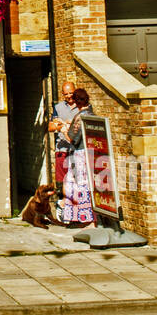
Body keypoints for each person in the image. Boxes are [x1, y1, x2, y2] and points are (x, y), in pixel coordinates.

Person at [58, 87, 96, 227]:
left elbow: (73, 139)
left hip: (79, 156)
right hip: (89, 154)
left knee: (76, 184)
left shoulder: (80, 117)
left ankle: (82, 217)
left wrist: (63, 130)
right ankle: (85, 216)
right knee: (82, 184)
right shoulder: (91, 114)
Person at [49, 80, 78, 190]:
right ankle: (64, 204)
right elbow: (50, 127)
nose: (69, 96)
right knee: (63, 181)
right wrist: (60, 127)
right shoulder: (58, 107)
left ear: (75, 91)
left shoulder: (83, 106)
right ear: (62, 94)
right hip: (62, 149)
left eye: (71, 93)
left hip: (78, 149)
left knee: (78, 179)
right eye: (66, 94)